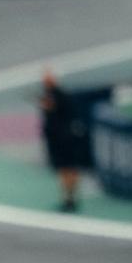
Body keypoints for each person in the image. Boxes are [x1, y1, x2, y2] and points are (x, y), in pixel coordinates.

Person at [39, 72, 88, 212]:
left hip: (64, 141)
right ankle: (68, 198)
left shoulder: (58, 97)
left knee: (67, 170)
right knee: (66, 170)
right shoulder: (53, 96)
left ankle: (70, 198)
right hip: (63, 141)